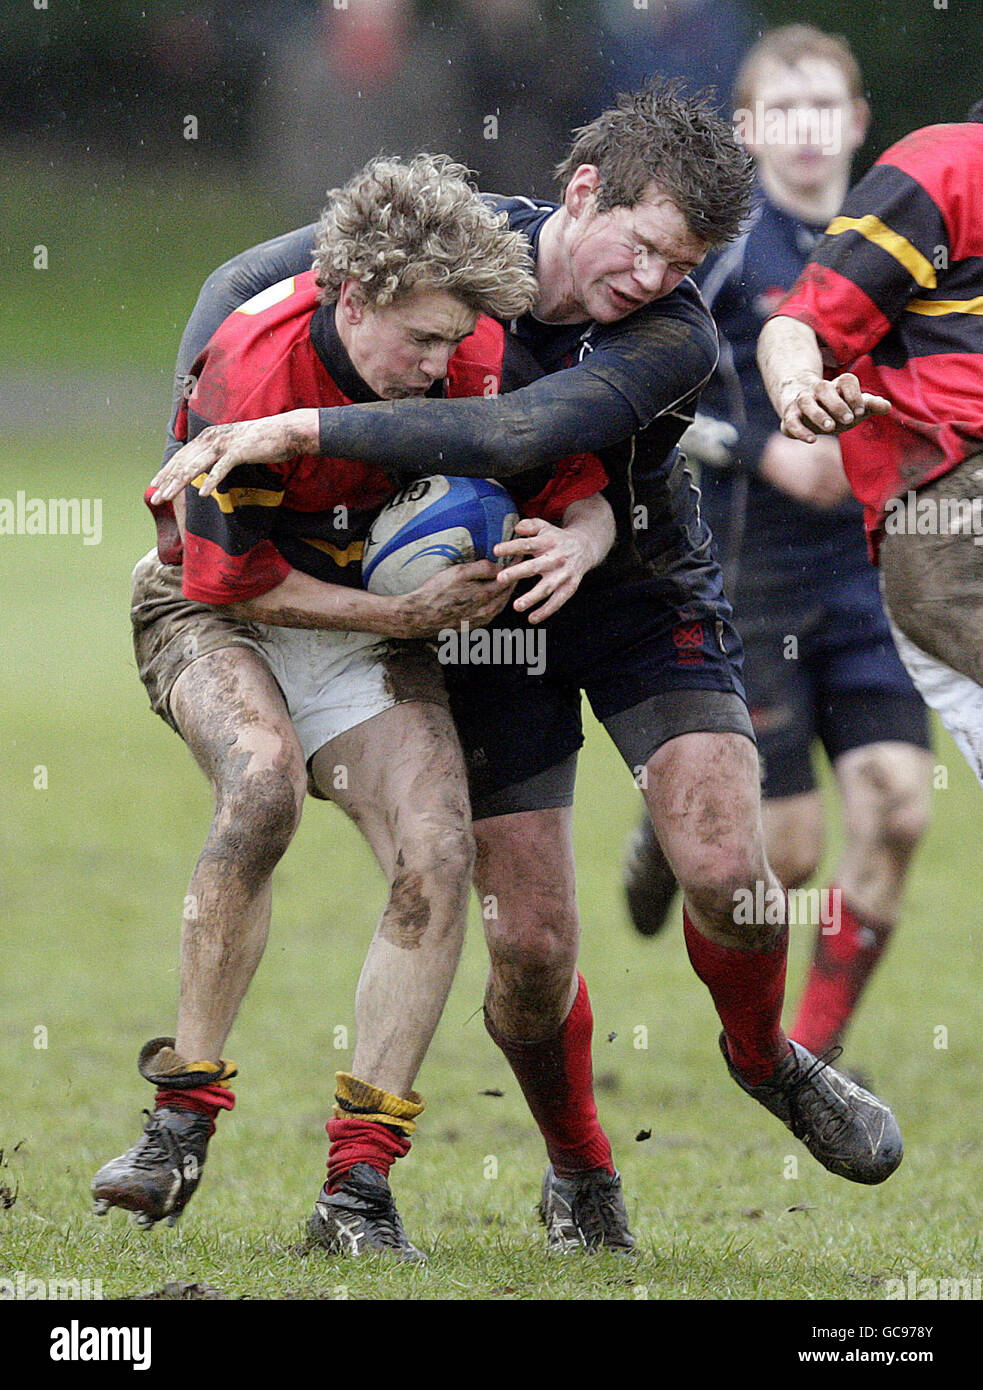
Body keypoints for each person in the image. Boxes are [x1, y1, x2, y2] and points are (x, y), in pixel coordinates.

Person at [153, 83, 905, 1245]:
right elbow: (240, 281)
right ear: (582, 191)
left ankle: (766, 1059)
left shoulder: (674, 332)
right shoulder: (461, 247)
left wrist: (296, 432)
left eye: (688, 261)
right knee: (530, 941)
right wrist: (198, 420)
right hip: (482, 607)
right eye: (646, 246)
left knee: (723, 863)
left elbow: (518, 437)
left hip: (639, 586)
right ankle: (580, 1169)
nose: (659, 278)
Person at [91, 154, 613, 1262]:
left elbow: (577, 492)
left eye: (451, 342)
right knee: (263, 782)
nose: (439, 367)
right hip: (216, 607)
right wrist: (407, 616)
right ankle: (179, 1118)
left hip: (371, 616)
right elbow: (231, 583)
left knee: (435, 848)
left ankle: (357, 1188)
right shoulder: (255, 362)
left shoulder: (472, 351)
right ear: (356, 296)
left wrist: (570, 539)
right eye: (418, 340)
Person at [622, 27, 934, 1068]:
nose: (805, 134)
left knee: (896, 806)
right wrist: (762, 452)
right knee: (785, 855)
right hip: (749, 579)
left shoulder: (894, 251)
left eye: (823, 109)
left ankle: (809, 1058)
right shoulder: (716, 263)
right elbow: (646, 402)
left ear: (854, 123)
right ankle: (669, 828)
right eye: (781, 112)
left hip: (873, 570)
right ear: (750, 131)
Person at [756, 100, 983, 788]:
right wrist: (801, 388)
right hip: (949, 511)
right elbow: (796, 325)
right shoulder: (943, 165)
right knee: (793, 834)